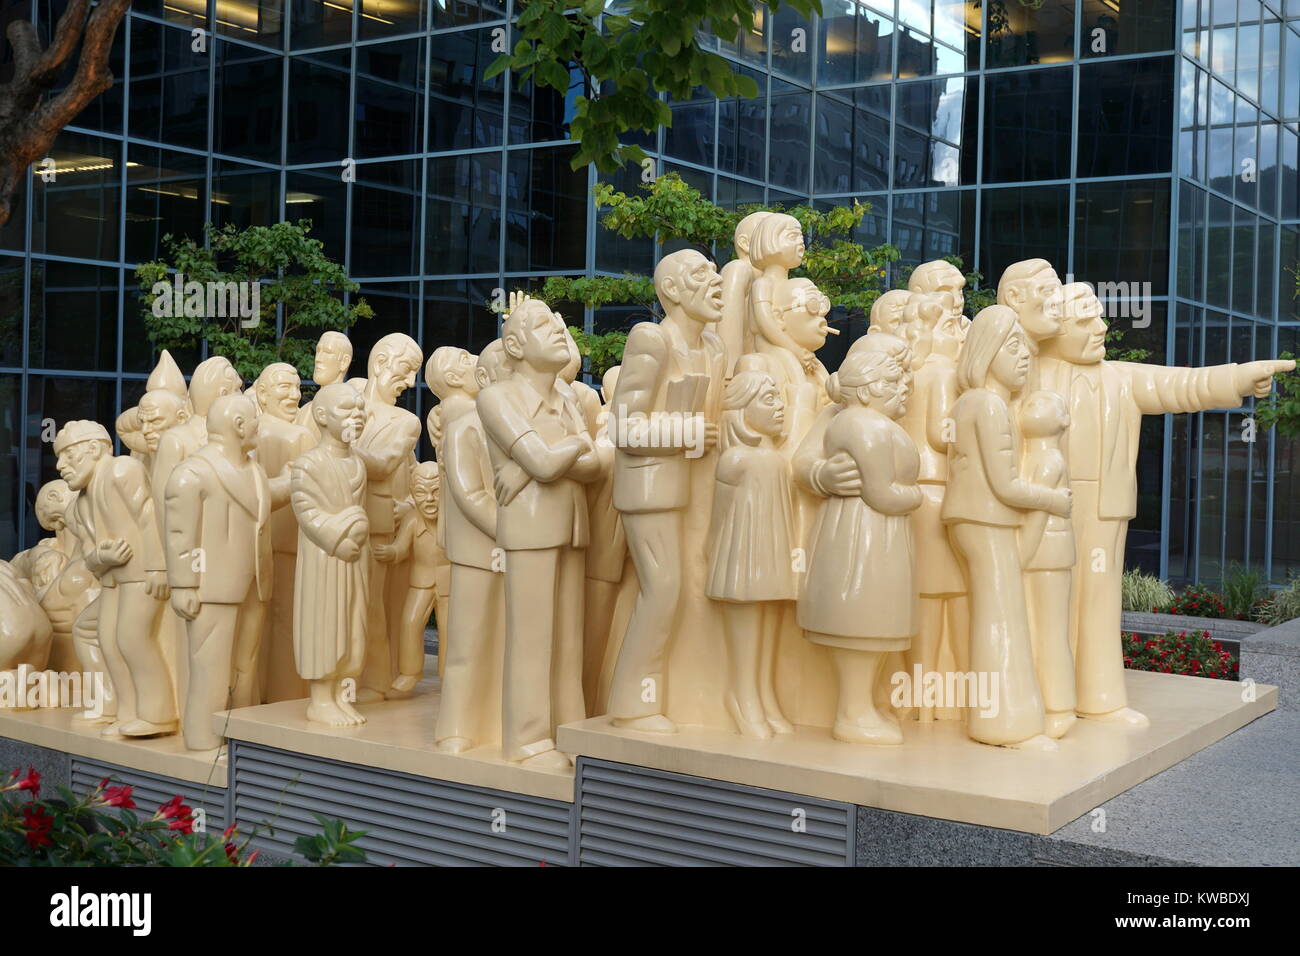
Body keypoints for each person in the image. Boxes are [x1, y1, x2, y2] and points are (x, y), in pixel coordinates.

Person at [1038, 282, 1295, 726]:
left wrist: (1239, 376)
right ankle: (1047, 698)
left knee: (1098, 601)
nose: (1101, 327)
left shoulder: (1120, 377)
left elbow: (1182, 384)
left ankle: (1101, 699)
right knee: (1044, 602)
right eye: (1085, 321)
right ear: (1051, 328)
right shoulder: (1025, 376)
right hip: (1042, 505)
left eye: (1101, 315)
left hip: (1103, 508)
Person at [477, 298, 602, 769]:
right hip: (529, 529)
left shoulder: (568, 397)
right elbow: (549, 464)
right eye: (541, 324)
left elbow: (589, 469)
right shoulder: (497, 397)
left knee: (568, 640)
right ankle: (527, 741)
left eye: (556, 323)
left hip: (571, 526)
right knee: (531, 640)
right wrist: (572, 447)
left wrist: (551, 459)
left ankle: (569, 729)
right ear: (514, 344)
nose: (555, 330)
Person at [607, 249, 725, 734]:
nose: (716, 280)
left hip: (697, 488)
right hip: (651, 486)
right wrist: (688, 432)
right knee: (663, 591)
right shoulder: (651, 338)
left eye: (717, 272)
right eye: (703, 274)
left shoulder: (714, 346)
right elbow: (623, 425)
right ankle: (632, 702)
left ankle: (691, 694)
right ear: (672, 290)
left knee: (692, 590)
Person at [942, 305, 1069, 751]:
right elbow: (1005, 485)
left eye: (1025, 349)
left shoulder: (971, 403)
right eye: (1011, 347)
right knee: (1002, 620)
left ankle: (1004, 719)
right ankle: (1003, 724)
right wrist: (1052, 498)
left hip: (977, 520)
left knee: (999, 616)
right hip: (985, 518)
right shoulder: (989, 405)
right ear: (986, 350)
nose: (1023, 358)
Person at [799, 334, 921, 745]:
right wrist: (821, 476)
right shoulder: (848, 417)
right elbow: (803, 461)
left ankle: (867, 704)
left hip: (880, 530)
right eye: (896, 375)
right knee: (863, 610)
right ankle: (853, 711)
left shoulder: (877, 420)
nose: (905, 385)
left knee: (878, 614)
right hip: (861, 529)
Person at [164, 394, 282, 751]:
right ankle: (203, 738)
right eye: (254, 420)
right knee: (210, 669)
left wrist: (294, 482)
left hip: (253, 584)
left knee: (246, 668)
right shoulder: (191, 473)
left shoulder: (254, 469)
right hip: (211, 589)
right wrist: (183, 584)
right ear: (239, 425)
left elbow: (261, 506)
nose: (259, 427)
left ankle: (244, 738)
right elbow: (178, 534)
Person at [58, 420, 176, 738]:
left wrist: (159, 567)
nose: (60, 465)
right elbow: (89, 556)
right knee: (109, 642)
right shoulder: (80, 505)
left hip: (141, 576)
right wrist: (101, 558)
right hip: (114, 580)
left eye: (68, 455)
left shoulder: (122, 470)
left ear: (95, 449)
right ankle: (125, 713)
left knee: (131, 638)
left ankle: (157, 713)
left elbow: (151, 514)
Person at [706, 370, 797, 738]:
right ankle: (742, 695)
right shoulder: (735, 459)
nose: (780, 407)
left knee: (771, 618)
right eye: (768, 399)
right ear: (742, 409)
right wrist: (712, 548)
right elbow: (720, 512)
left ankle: (763, 694)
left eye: (778, 398)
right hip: (740, 548)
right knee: (747, 623)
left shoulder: (774, 457)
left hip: (773, 545)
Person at [433, 342, 510, 754]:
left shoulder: (514, 421)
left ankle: (496, 722)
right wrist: (511, 530)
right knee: (468, 640)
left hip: (513, 549)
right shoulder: (465, 424)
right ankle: (456, 727)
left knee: (503, 638)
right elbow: (470, 493)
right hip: (477, 550)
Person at [290, 383, 371, 727]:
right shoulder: (308, 464)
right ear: (321, 417)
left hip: (356, 556)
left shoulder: (358, 462)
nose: (357, 416)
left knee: (354, 623)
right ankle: (320, 698)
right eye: (347, 410)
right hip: (324, 558)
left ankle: (340, 693)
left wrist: (357, 530)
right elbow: (306, 511)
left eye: (360, 410)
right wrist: (340, 536)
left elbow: (360, 509)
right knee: (324, 621)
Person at [253, 363, 315, 703]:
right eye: (284, 388)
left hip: (257, 542)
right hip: (292, 540)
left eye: (296, 388)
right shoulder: (300, 436)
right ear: (262, 393)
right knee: (289, 624)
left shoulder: (247, 433)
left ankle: (258, 693)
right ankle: (286, 694)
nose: (294, 395)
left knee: (259, 626)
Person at [1018, 390, 1077, 739]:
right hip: (1041, 552)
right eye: (1029, 401)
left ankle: (1060, 707)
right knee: (1038, 629)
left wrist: (1020, 556)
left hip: (1047, 552)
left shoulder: (1049, 460)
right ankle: (1045, 700)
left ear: (1064, 421)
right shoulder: (1033, 457)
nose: (1030, 404)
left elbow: (1038, 514)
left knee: (1051, 631)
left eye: (1042, 403)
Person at [375, 461, 446, 697]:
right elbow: (400, 548)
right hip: (421, 583)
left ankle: (450, 676)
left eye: (436, 493)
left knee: (450, 631)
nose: (429, 500)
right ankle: (409, 673)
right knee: (410, 623)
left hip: (450, 585)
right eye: (421, 493)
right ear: (413, 495)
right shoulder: (412, 520)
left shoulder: (452, 521)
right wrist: (391, 553)